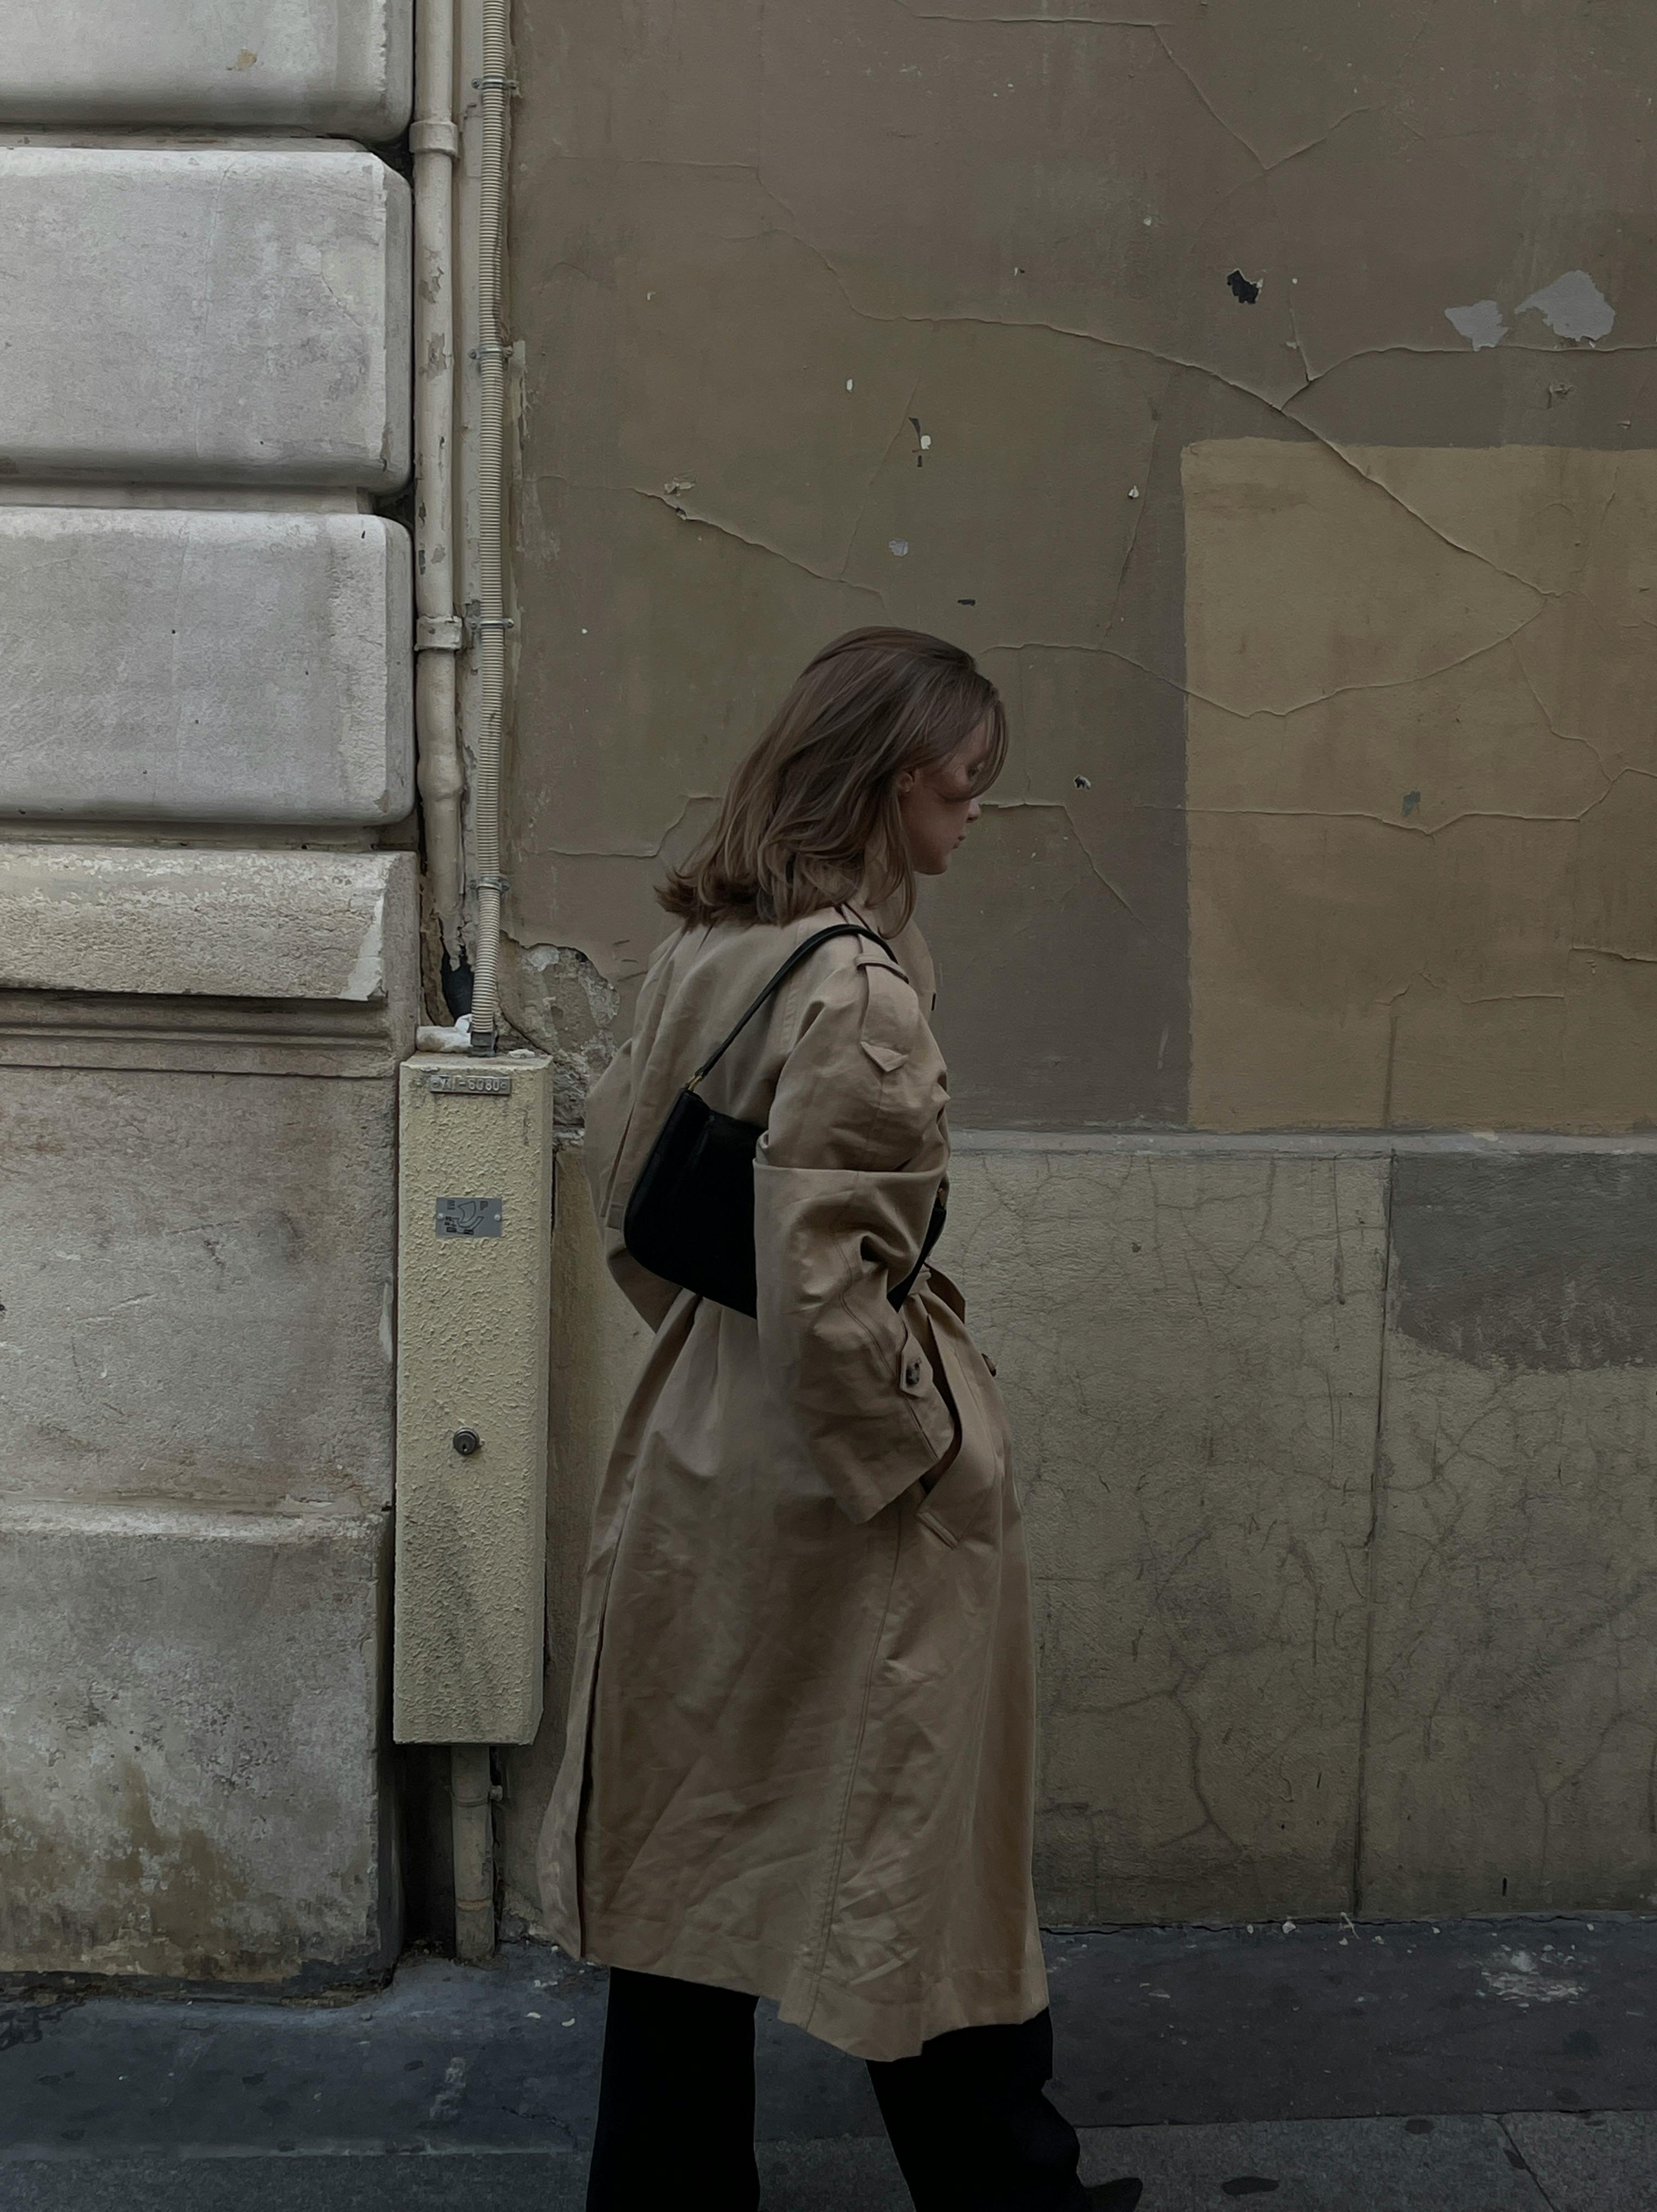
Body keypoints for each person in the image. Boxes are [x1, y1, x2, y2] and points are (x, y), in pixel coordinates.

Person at [539, 627, 1089, 2210]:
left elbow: (632, 1207)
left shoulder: (707, 956)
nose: (976, 815)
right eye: (968, 785)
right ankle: (1004, 2189)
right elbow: (837, 1284)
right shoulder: (855, 990)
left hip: (703, 1426)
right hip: (839, 1486)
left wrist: (728, 1357)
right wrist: (917, 1456)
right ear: (900, 781)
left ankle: (669, 2190)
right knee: (918, 1838)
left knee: (692, 1848)